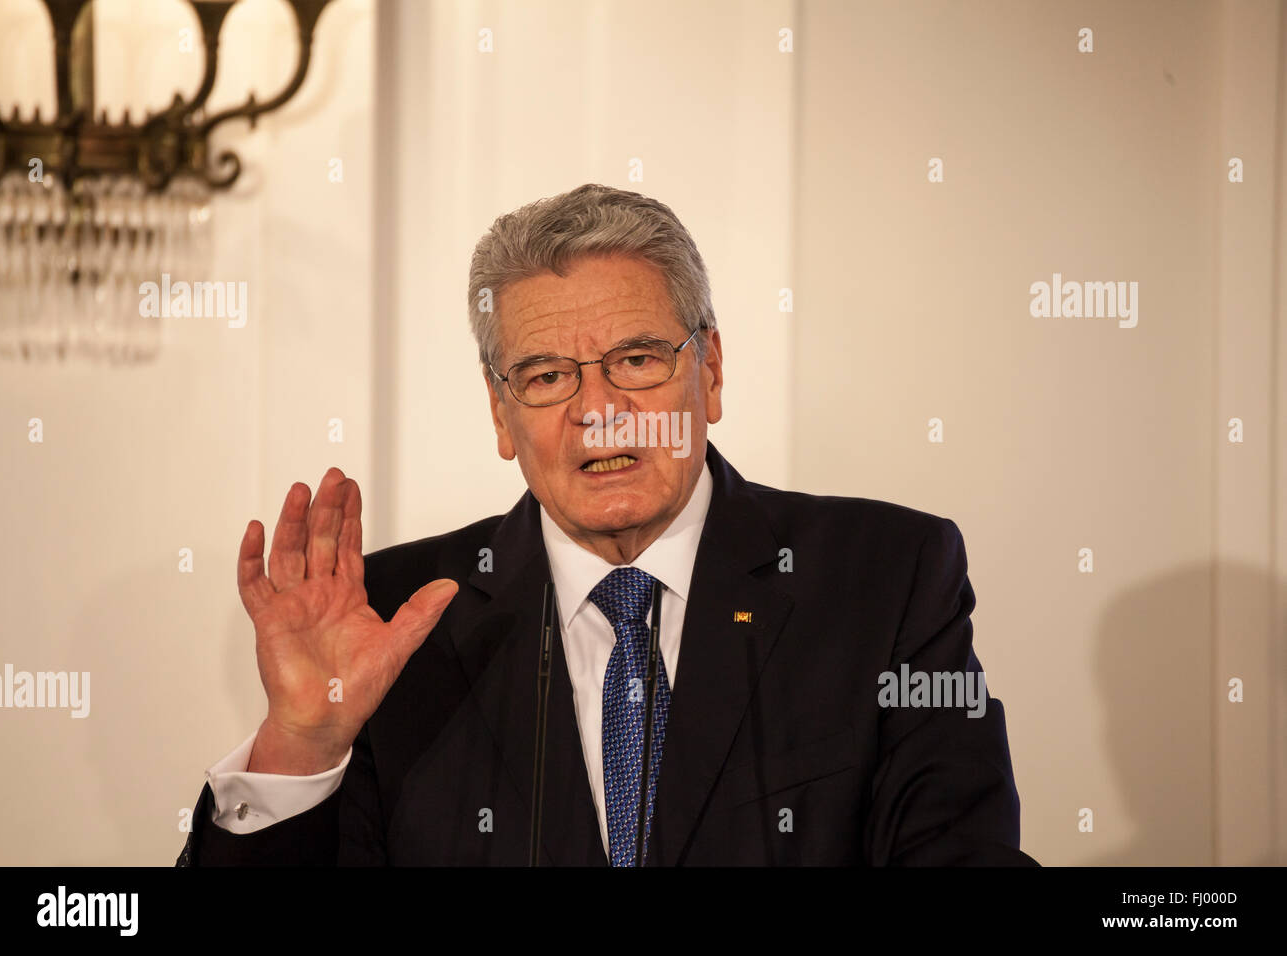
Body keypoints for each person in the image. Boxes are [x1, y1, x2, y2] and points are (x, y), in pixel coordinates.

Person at [177, 183, 1033, 866]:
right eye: (548, 376)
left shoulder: (883, 580)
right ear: (502, 413)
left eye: (637, 360)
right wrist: (303, 742)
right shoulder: (394, 620)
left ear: (711, 371)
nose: (599, 411)